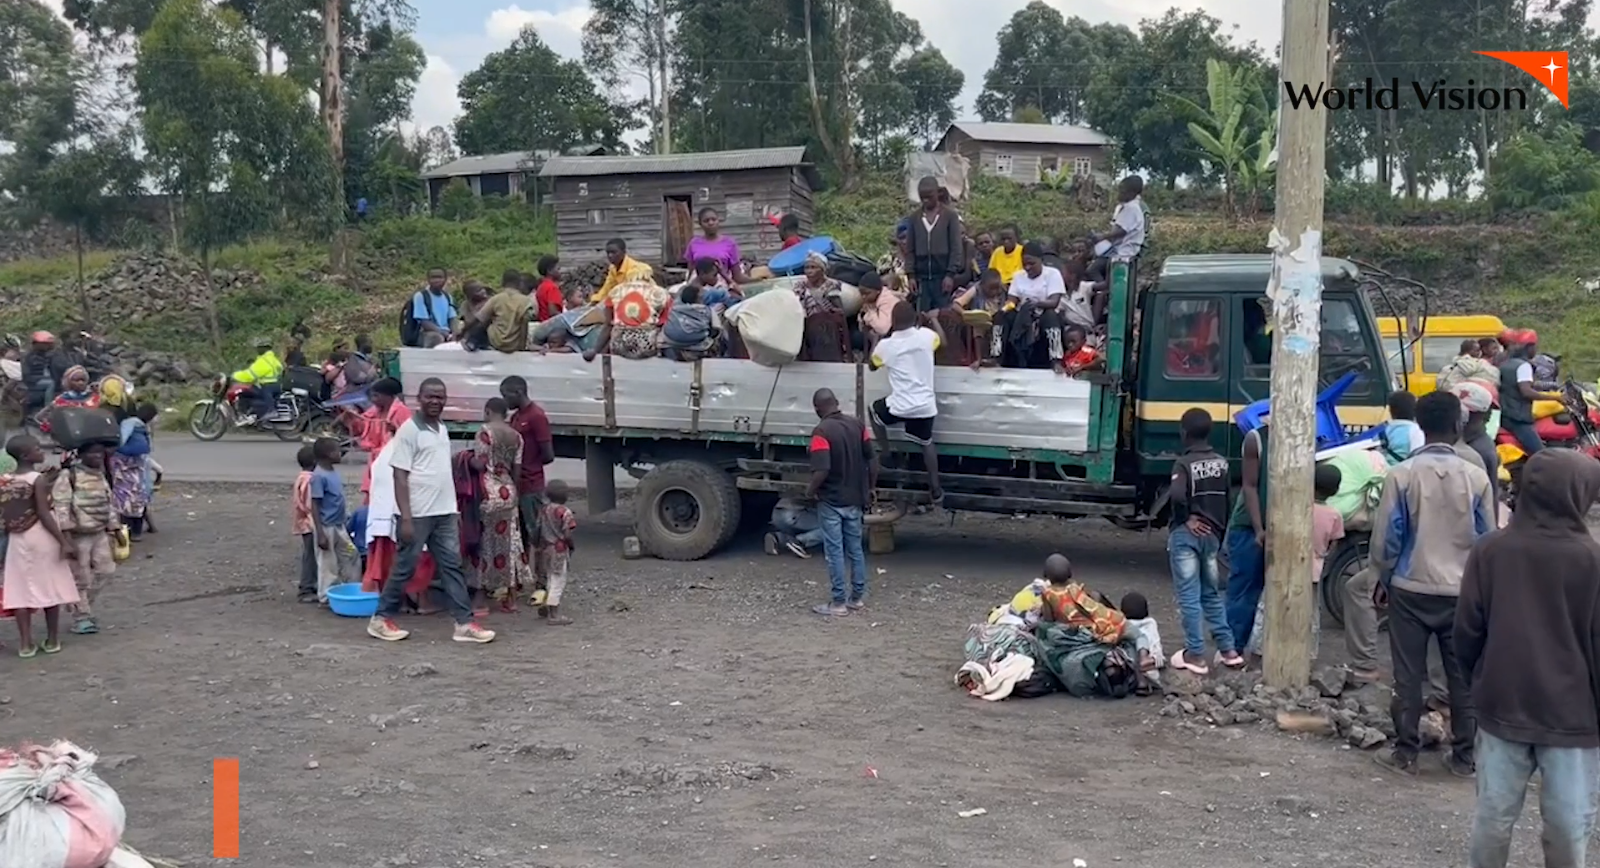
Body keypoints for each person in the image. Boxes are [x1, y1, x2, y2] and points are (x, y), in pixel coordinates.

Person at [1456, 449, 1600, 868]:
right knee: (1568, 827)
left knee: (1493, 820)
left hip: (1503, 704)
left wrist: (1482, 681)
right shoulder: (1591, 561)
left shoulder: (1491, 550)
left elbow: (1466, 631)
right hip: (1574, 716)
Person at [1370, 390, 1493, 777]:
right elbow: (1487, 537)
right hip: (1461, 592)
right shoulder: (1475, 478)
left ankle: (1405, 752)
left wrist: (1382, 577)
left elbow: (1388, 538)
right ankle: (1463, 757)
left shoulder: (1401, 475)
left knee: (1408, 674)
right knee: (1462, 675)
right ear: (1458, 424)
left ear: (1419, 426)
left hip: (1409, 587)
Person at [366, 379, 494, 644]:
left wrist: (453, 511)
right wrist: (407, 519)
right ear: (419, 398)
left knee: (452, 567)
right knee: (404, 567)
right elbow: (399, 476)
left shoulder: (440, 428)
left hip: (444, 512)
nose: (436, 401)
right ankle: (380, 619)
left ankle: (464, 623)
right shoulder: (409, 431)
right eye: (430, 397)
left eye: (440, 397)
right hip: (419, 514)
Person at [1166, 408, 1241, 675]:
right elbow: (1227, 499)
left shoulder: (1183, 464)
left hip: (1187, 537)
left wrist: (1186, 519)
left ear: (1184, 433)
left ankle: (1195, 654)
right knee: (1211, 594)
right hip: (1212, 536)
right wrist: (1218, 533)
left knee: (1188, 596)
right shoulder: (1222, 462)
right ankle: (1229, 651)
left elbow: (1176, 495)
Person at [1, 435, 78, 656]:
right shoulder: (38, 479)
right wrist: (63, 541)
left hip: (18, 537)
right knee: (49, 585)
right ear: (26, 455)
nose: (41, 451)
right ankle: (52, 639)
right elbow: (44, 513)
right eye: (36, 448)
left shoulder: (5, 479)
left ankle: (25, 644)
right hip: (41, 535)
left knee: (20, 588)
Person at [807, 388, 876, 617]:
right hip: (855, 499)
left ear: (817, 409)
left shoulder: (821, 432)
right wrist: (871, 488)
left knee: (835, 551)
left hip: (831, 502)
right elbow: (871, 459)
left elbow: (822, 469)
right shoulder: (858, 425)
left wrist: (810, 490)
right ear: (836, 402)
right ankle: (856, 598)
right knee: (855, 549)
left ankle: (838, 603)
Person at [869, 302, 946, 504]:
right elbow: (943, 342)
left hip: (900, 405)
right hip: (925, 406)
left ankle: (886, 454)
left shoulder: (886, 346)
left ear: (893, 322)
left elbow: (871, 366)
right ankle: (936, 487)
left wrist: (875, 338)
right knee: (926, 442)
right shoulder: (927, 336)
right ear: (915, 319)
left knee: (874, 411)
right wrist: (934, 319)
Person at [472, 397, 530, 613]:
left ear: (488, 411)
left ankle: (479, 598)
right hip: (509, 490)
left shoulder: (484, 432)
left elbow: (480, 463)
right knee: (511, 542)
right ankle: (511, 598)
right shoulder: (517, 436)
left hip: (489, 490)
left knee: (485, 542)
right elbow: (517, 469)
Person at [53, 442, 118, 636]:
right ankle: (81, 617)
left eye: (100, 452)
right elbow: (61, 507)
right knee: (82, 578)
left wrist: (114, 528)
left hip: (99, 533)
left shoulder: (100, 475)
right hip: (78, 536)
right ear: (81, 455)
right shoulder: (69, 476)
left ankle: (80, 606)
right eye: (92, 453)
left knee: (106, 571)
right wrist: (66, 539)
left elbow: (109, 501)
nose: (97, 456)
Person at [500, 376, 554, 579]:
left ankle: (543, 582)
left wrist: (530, 465)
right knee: (519, 537)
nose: (504, 401)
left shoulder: (536, 416)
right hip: (517, 485)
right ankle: (521, 580)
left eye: (506, 395)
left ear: (518, 392)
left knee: (538, 536)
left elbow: (548, 454)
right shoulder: (516, 417)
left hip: (531, 487)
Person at [1222, 423, 1268, 656]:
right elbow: (1250, 487)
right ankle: (1232, 650)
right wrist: (1259, 528)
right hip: (1249, 526)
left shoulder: (1306, 438)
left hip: (1279, 526)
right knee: (1244, 589)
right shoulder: (1256, 439)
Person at [994, 241, 1067, 371]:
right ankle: (996, 357)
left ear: (1041, 260)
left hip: (1044, 315)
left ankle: (1056, 360)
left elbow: (1054, 302)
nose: (1027, 267)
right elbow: (1012, 301)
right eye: (1024, 264)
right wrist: (1003, 309)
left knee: (1050, 316)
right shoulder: (1018, 276)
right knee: (1000, 317)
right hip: (1023, 316)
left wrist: (1036, 303)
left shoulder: (1052, 274)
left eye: (1031, 263)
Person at [904, 176, 965, 312]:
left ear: (938, 193)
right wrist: (911, 276)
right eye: (922, 197)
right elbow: (910, 249)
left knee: (943, 316)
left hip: (942, 278)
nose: (925, 200)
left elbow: (956, 247)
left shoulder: (950, 216)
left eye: (929, 196)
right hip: (922, 279)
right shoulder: (914, 218)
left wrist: (950, 275)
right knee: (923, 316)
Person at [1498, 329, 1563, 456]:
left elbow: (1523, 384)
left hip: (1506, 414)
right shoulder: (1524, 366)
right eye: (1535, 347)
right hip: (1518, 418)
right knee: (1541, 453)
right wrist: (1554, 398)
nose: (1536, 350)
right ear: (1529, 347)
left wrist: (1552, 387)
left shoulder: (1507, 363)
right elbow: (1526, 391)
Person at [309, 437, 358, 603]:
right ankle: (325, 595)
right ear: (328, 454)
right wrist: (320, 533)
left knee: (351, 554)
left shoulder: (332, 472)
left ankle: (350, 586)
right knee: (327, 564)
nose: (340, 453)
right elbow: (315, 504)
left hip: (338, 525)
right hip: (326, 526)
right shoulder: (318, 476)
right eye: (337, 450)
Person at [344, 377, 411, 497]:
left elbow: (410, 438)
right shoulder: (374, 411)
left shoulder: (402, 412)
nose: (373, 400)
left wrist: (395, 431)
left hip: (394, 462)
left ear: (389, 396)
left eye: (376, 396)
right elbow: (361, 428)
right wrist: (351, 419)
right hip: (376, 460)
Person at [595, 274, 673, 360]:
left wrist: (595, 351)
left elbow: (608, 324)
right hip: (646, 346)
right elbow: (665, 324)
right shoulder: (662, 294)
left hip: (619, 344)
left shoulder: (616, 290)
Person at [534, 479, 578, 623]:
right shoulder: (565, 512)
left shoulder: (544, 509)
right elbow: (567, 533)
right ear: (565, 496)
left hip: (545, 548)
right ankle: (554, 614)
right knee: (558, 579)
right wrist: (571, 545)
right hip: (558, 550)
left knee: (550, 577)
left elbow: (537, 528)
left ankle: (547, 605)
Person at [794, 250, 849, 362]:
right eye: (807, 268)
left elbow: (840, 312)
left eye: (813, 267)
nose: (809, 271)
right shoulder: (800, 286)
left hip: (828, 331)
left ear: (822, 270)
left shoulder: (831, 286)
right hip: (806, 327)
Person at [111, 402, 154, 540]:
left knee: (127, 498)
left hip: (131, 464)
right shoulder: (133, 423)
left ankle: (131, 531)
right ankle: (134, 531)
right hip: (129, 464)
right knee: (133, 498)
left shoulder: (137, 425)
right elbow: (122, 439)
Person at [461, 274, 533, 353]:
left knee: (483, 322)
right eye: (478, 291)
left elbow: (477, 319)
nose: (483, 291)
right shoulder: (525, 300)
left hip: (497, 341)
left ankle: (474, 342)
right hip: (513, 342)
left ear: (502, 283)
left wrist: (462, 332)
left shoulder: (494, 299)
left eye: (483, 289)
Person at [1090, 175, 1147, 267]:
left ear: (1131, 193)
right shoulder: (1129, 206)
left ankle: (1104, 282)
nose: (1119, 194)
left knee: (1093, 270)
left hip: (1124, 251)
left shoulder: (1131, 208)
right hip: (1121, 248)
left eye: (1122, 191)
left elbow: (1121, 231)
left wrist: (1102, 236)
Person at [231, 337, 285, 425]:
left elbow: (250, 375)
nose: (257, 349)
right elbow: (280, 369)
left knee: (243, 393)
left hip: (267, 387)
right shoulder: (273, 359)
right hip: (277, 386)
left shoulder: (263, 361)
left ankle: (268, 411)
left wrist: (234, 375)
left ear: (264, 348)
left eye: (259, 347)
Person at [660, 282, 719, 360]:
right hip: (697, 345)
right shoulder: (705, 310)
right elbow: (716, 329)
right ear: (698, 298)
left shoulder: (674, 307)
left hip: (672, 343)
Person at [686, 208, 744, 286]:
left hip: (721, 286)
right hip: (698, 288)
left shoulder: (729, 243)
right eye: (706, 221)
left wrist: (758, 280)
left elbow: (737, 276)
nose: (711, 223)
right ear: (700, 224)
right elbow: (690, 272)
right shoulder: (694, 243)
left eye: (714, 219)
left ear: (718, 221)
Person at [404, 268, 458, 348]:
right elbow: (424, 322)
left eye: (440, 277)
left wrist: (455, 334)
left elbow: (452, 318)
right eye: (433, 277)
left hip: (446, 333)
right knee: (436, 338)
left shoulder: (447, 297)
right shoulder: (421, 296)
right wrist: (442, 333)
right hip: (426, 333)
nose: (436, 280)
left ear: (445, 279)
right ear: (428, 280)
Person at [292, 445, 318, 604]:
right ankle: (307, 588)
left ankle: (310, 585)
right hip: (311, 523)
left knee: (310, 554)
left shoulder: (301, 477)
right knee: (311, 556)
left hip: (304, 522)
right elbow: (311, 505)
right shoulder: (310, 480)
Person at [593, 238, 656, 303]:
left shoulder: (635, 269)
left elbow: (636, 292)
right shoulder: (613, 269)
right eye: (608, 253)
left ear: (624, 252)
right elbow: (607, 288)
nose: (610, 255)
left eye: (614, 252)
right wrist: (596, 299)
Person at [1119, 591, 1164, 677]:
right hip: (1148, 655)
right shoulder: (1150, 623)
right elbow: (1155, 642)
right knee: (1159, 659)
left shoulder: (1123, 624)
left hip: (1128, 658)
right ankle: (1148, 662)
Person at [856, 271, 902, 350]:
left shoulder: (887, 300)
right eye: (861, 293)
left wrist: (870, 313)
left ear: (877, 291)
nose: (863, 297)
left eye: (867, 293)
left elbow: (882, 328)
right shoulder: (872, 300)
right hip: (886, 336)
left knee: (856, 338)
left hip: (896, 338)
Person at [1379, 391, 1424, 463]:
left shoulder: (1382, 432)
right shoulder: (1416, 431)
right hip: (1405, 471)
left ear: (1391, 411)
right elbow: (1417, 459)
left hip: (1385, 472)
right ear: (1414, 410)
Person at [22, 331, 55, 412]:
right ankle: (47, 408)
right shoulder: (30, 356)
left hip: (43, 379)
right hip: (34, 381)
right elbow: (27, 374)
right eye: (45, 344)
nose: (48, 346)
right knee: (51, 384)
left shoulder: (48, 355)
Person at [533, 255, 564, 322]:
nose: (560, 271)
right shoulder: (552, 287)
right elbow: (553, 312)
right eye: (558, 269)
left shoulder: (541, 287)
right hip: (552, 326)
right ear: (549, 271)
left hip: (543, 325)